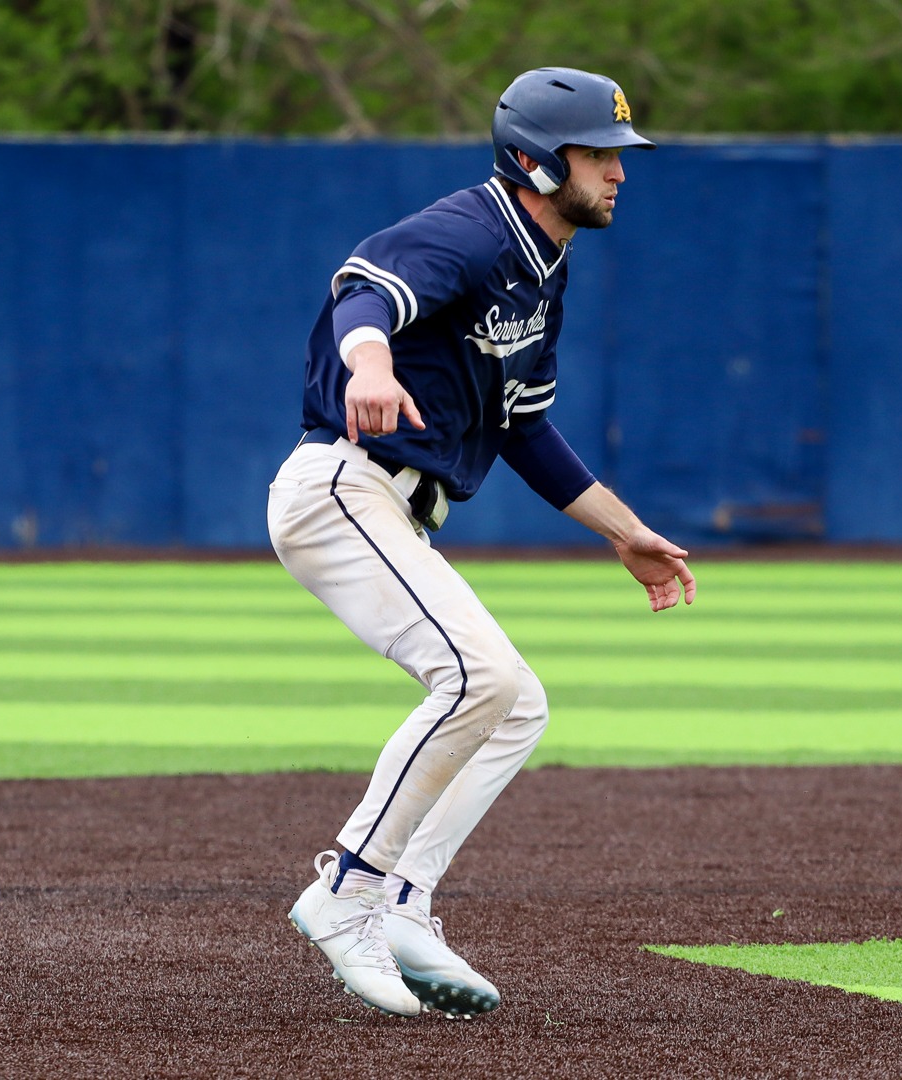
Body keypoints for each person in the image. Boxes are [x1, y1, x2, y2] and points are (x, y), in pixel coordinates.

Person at [270, 67, 696, 1019]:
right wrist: (371, 361)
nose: (621, 172)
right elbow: (360, 291)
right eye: (600, 154)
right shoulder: (472, 228)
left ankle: (405, 902)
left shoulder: (546, 269)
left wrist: (626, 535)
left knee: (516, 705)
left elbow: (522, 428)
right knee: (477, 678)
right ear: (539, 161)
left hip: (390, 503)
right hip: (343, 486)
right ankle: (347, 893)